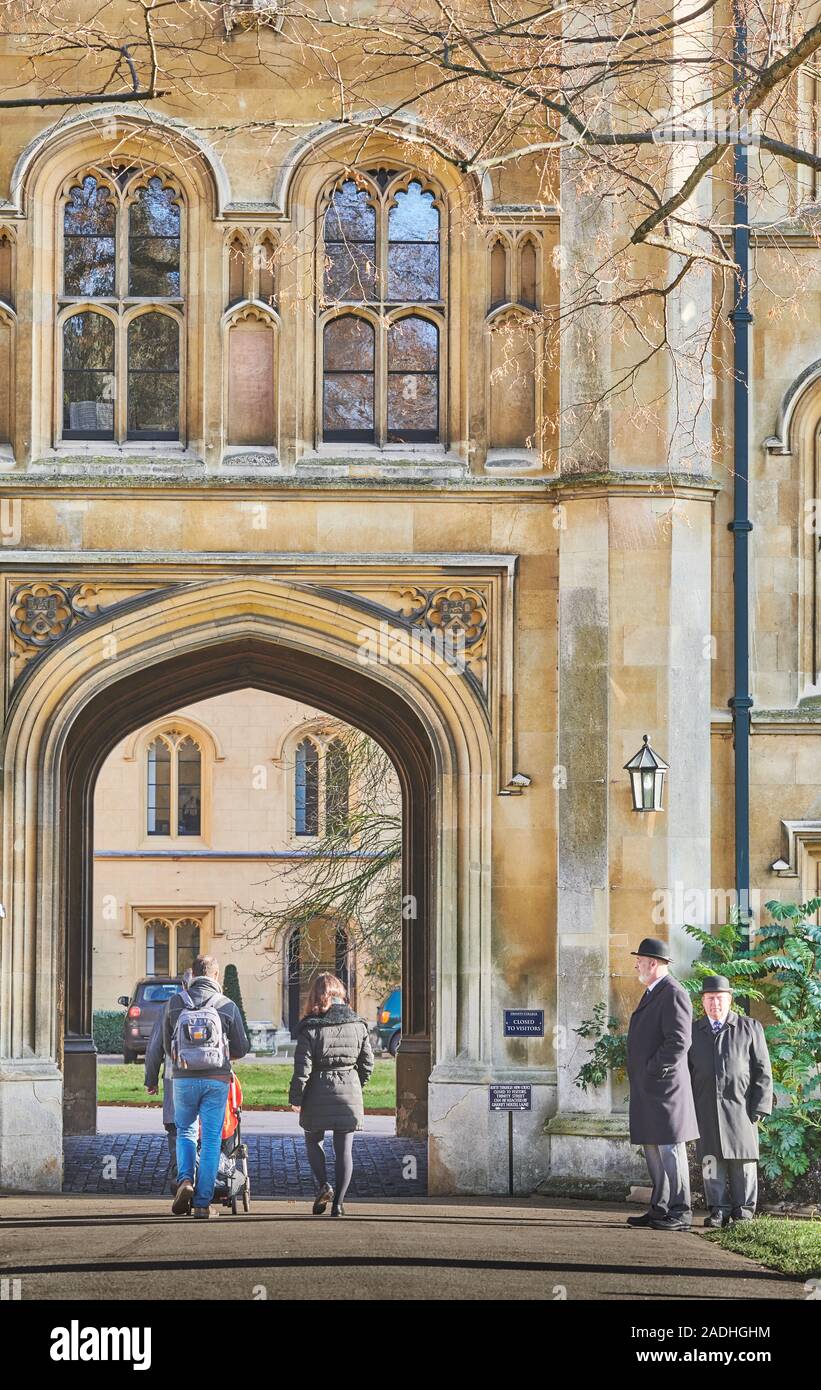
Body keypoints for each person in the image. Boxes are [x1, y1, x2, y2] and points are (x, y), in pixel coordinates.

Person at [163, 955, 249, 1219]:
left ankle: (185, 1180)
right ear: (216, 975)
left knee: (185, 1132)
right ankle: (202, 1203)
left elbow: (168, 1046)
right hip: (216, 1079)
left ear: (193, 974)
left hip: (183, 1077)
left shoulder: (176, 1003)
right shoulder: (226, 1005)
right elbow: (242, 1047)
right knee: (212, 1139)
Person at [626, 937, 700, 1232]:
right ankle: (660, 1207)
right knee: (653, 1146)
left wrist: (652, 1069)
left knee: (671, 1148)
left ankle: (681, 1211)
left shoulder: (673, 993)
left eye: (640, 961)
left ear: (653, 963)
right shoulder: (653, 992)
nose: (636, 965)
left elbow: (680, 1041)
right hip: (650, 1088)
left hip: (665, 1088)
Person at [688, 975, 773, 1227]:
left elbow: (763, 1071)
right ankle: (717, 1210)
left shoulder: (749, 1027)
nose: (715, 1004)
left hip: (741, 1109)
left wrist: (760, 1107)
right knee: (710, 1162)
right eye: (710, 999)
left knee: (743, 1161)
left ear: (730, 1000)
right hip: (705, 1110)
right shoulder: (694, 1031)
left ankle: (744, 1213)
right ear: (702, 1002)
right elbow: (686, 1072)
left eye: (720, 998)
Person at [289, 972, 374, 1217]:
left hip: (317, 1090)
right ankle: (338, 1204)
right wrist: (358, 1085)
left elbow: (302, 1070)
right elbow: (367, 1064)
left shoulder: (310, 1027)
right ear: (340, 994)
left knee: (313, 1140)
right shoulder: (358, 1024)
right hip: (349, 1088)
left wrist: (296, 1098)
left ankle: (323, 1184)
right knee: (344, 1150)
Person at [144, 968, 193, 1191]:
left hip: (175, 1075)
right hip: (212, 1077)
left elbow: (155, 1047)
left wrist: (151, 1079)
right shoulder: (220, 1004)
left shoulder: (170, 1006)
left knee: (176, 1126)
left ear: (183, 986)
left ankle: (180, 1175)